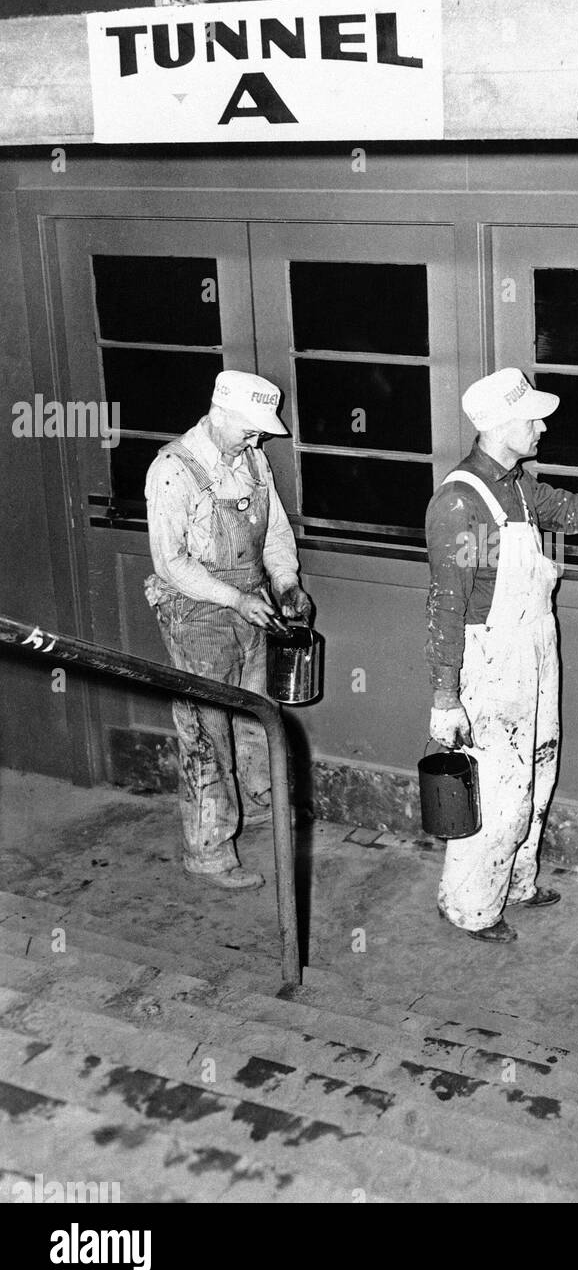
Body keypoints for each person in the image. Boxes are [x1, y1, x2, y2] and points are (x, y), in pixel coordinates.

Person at [425, 367, 578, 942]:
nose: (543, 425)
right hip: (491, 664)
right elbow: (445, 609)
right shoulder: (463, 503)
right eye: (532, 416)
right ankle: (471, 906)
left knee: (536, 772)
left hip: (533, 651)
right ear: (500, 424)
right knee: (497, 791)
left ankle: (517, 882)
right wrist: (445, 698)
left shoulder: (517, 486)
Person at [144, 370, 312, 890]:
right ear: (221, 414)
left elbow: (276, 532)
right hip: (199, 612)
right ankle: (210, 851)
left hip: (252, 604)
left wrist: (286, 586)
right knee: (206, 730)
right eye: (251, 430)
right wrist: (236, 599)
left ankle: (260, 808)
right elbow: (170, 563)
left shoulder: (252, 459)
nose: (258, 439)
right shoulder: (173, 470)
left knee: (257, 712)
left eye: (262, 432)